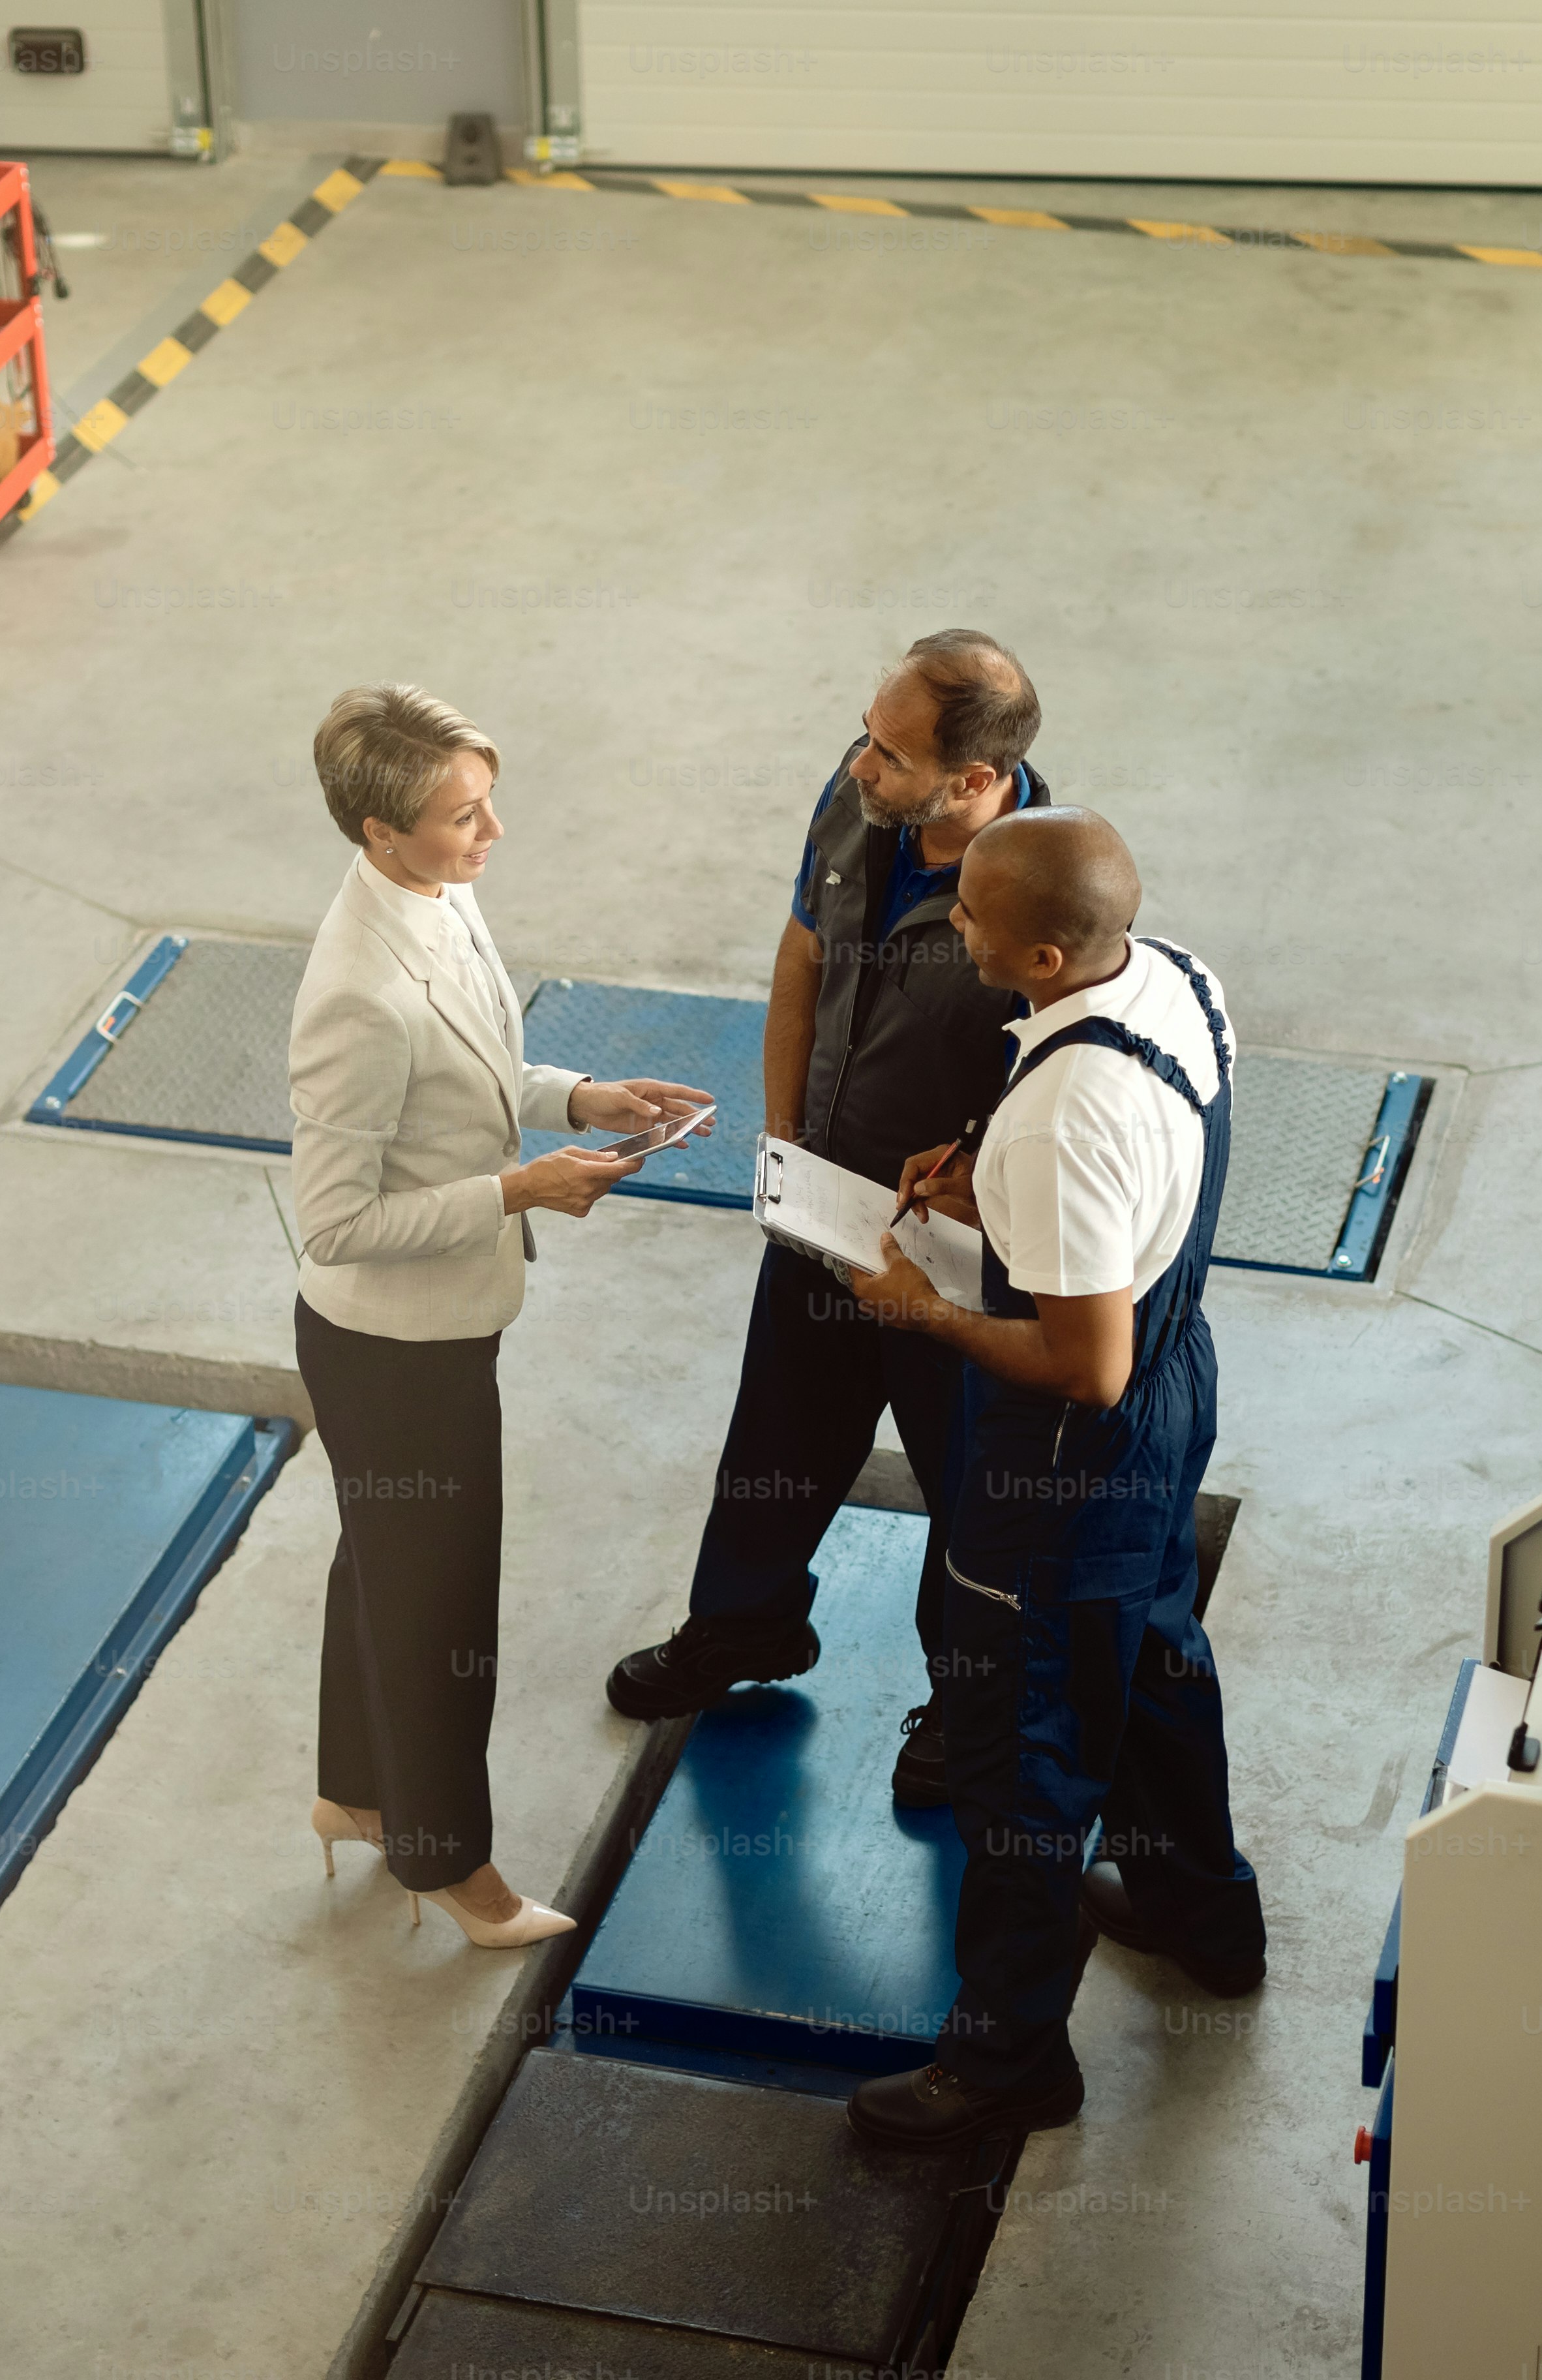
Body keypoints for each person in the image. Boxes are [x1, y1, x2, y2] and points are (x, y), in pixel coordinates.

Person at [831, 806, 1265, 2144]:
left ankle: (1009, 2059)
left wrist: (924, 1311)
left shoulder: (1061, 1128)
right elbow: (1131, 1203)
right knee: (1155, 1652)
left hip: (1065, 1468)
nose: (950, 925)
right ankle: (1204, 1914)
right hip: (1175, 1397)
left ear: (1034, 960)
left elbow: (1085, 1366)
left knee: (1022, 1759)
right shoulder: (1173, 977)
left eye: (968, 918)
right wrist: (990, 1182)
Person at [287, 684, 712, 1948]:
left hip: (430, 1331)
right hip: (392, 1350)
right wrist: (516, 1190)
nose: (494, 834)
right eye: (464, 816)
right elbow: (335, 1223)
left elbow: (466, 1072)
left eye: (486, 803)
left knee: (381, 1567)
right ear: (379, 835)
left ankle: (353, 1792)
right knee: (439, 1611)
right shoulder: (355, 996)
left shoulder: (435, 892)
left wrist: (580, 1100)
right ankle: (449, 1870)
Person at [601, 631, 1048, 1806]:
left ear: (973, 782)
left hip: (950, 1245)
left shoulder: (1038, 887)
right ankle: (744, 1628)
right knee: (778, 1435)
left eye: (893, 753)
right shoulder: (860, 805)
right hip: (825, 1196)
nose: (861, 761)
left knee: (966, 1481)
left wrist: (972, 1188)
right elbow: (802, 954)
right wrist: (786, 1134)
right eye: (866, 729)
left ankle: (965, 1703)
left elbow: (1071, 1083)